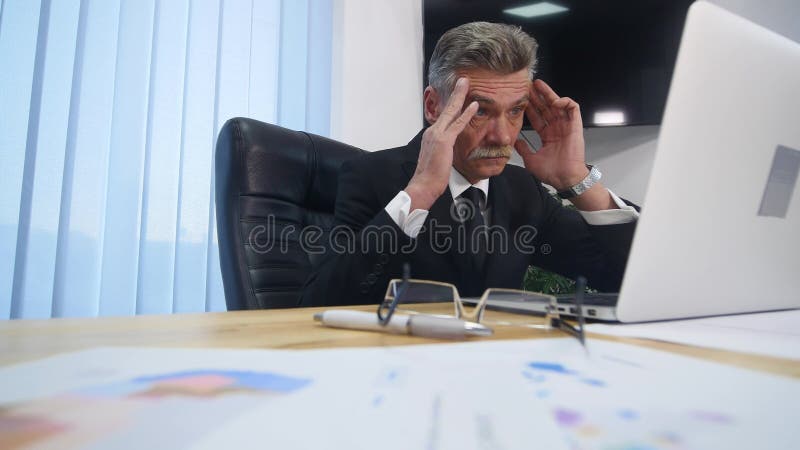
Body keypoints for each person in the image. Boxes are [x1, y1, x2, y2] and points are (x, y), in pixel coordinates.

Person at [300, 22, 639, 307]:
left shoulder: (523, 191)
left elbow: (630, 278)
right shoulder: (372, 176)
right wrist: (419, 194)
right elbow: (316, 305)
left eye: (516, 111)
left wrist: (576, 180)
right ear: (434, 106)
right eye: (479, 111)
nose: (502, 136)